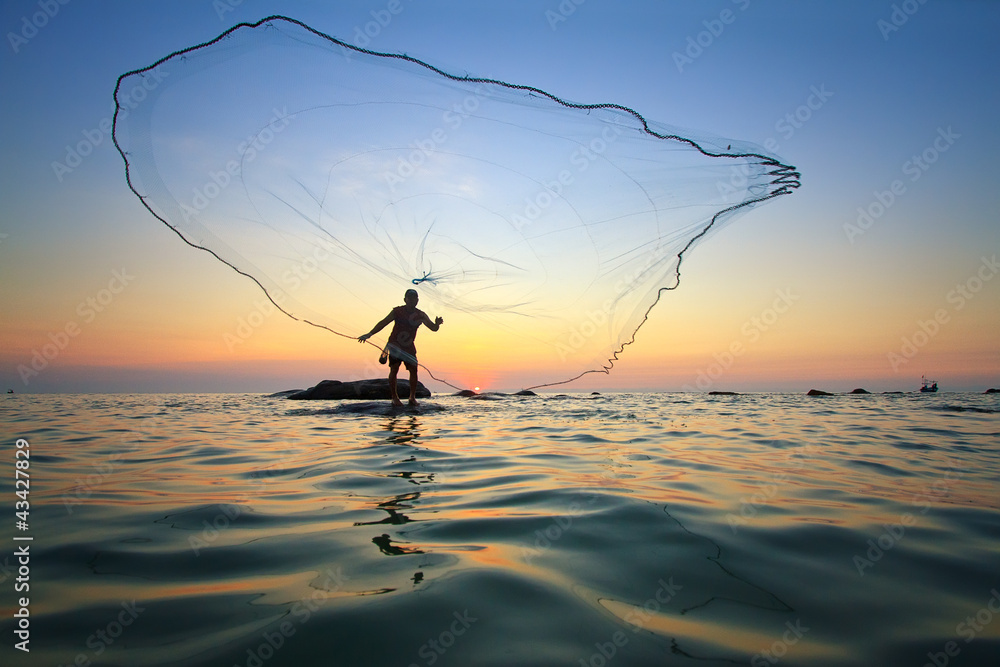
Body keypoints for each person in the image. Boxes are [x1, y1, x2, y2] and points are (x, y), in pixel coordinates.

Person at [358, 289, 443, 407]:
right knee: (394, 369)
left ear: (417, 300)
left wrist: (437, 324)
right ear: (405, 300)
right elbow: (383, 322)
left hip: (409, 346)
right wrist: (369, 334)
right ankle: (395, 398)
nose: (412, 300)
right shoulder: (397, 311)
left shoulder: (420, 315)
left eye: (415, 298)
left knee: (414, 369)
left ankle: (412, 397)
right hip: (395, 344)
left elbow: (433, 328)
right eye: (410, 298)